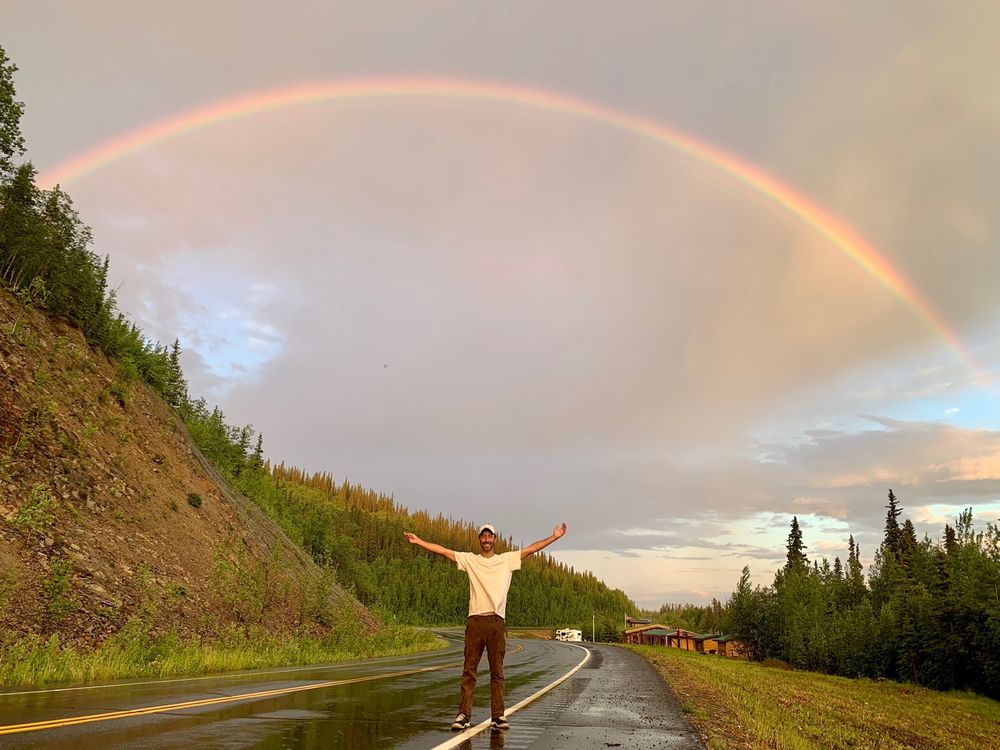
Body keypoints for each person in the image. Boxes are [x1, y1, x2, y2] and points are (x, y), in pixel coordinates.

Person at [404, 521, 568, 732]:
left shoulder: (506, 560)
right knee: (469, 671)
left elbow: (532, 548)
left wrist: (554, 537)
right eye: (483, 536)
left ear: (495, 539)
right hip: (475, 621)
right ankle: (463, 716)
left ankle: (498, 716)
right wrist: (418, 542)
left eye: (490, 536)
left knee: (497, 671)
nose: (487, 540)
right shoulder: (470, 560)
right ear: (479, 539)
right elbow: (444, 551)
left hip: (497, 622)